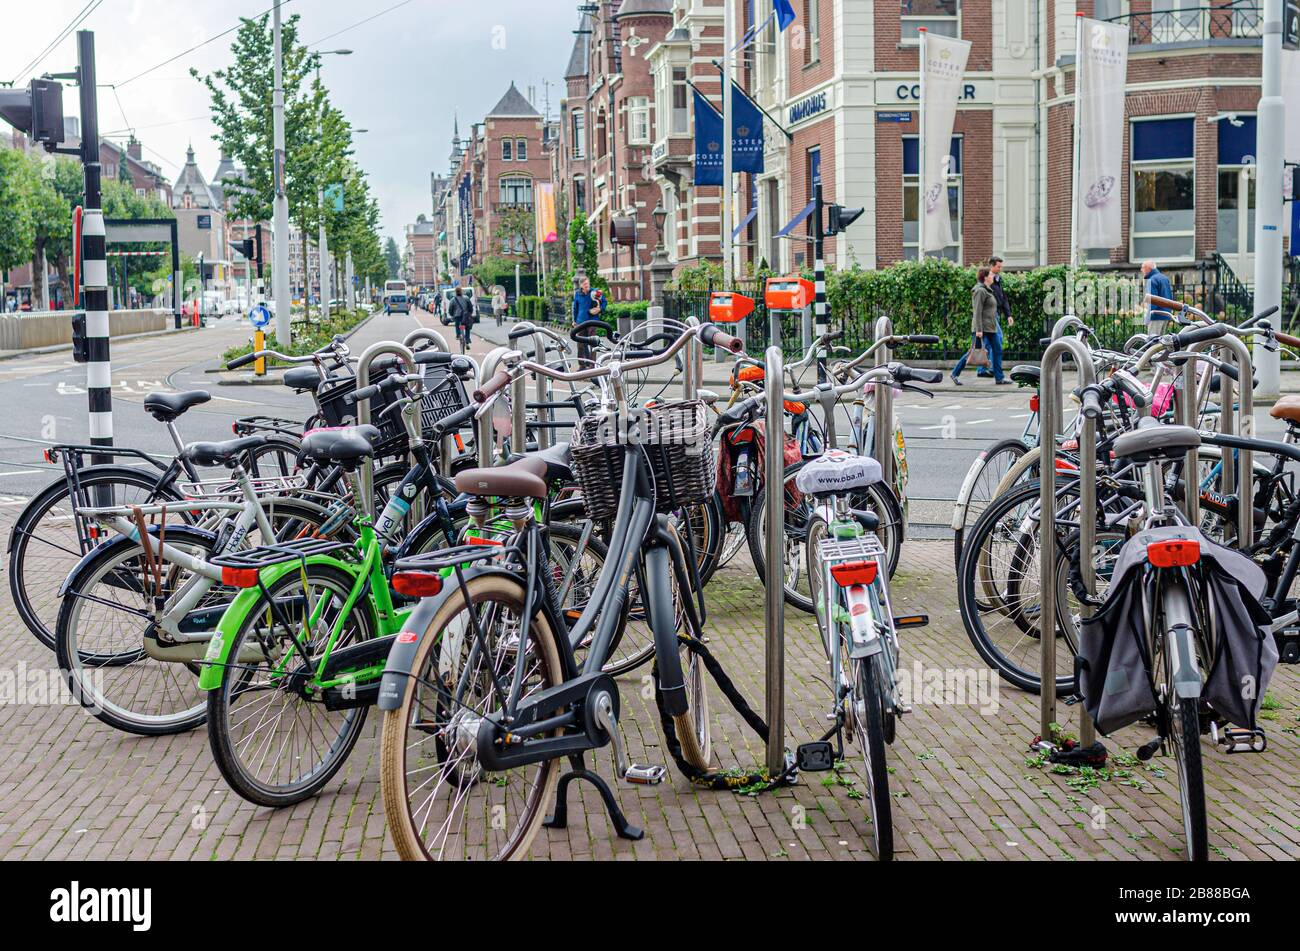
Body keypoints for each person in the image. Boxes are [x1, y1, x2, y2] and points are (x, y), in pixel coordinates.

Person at [951, 267, 1005, 386]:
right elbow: (977, 311)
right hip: (982, 330)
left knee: (997, 350)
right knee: (973, 352)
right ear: (985, 277)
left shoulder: (987, 290)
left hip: (991, 328)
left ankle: (999, 378)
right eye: (990, 275)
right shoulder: (980, 291)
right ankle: (954, 373)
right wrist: (979, 330)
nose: (992, 277)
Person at [978, 256, 1015, 377]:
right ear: (992, 266)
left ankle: (983, 370)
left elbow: (1003, 298)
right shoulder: (986, 280)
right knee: (997, 340)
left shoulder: (998, 279)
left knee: (988, 343)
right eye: (998, 266)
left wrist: (1008, 315)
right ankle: (993, 370)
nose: (1000, 268)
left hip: (996, 315)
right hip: (990, 316)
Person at [572, 276, 603, 362]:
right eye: (585, 284)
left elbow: (604, 302)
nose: (587, 285)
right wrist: (574, 320)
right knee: (580, 344)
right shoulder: (578, 294)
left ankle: (592, 364)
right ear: (581, 285)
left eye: (588, 283)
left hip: (592, 321)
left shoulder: (594, 292)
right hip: (580, 322)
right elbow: (575, 308)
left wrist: (600, 309)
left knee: (593, 344)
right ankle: (582, 364)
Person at [1142, 260, 1174, 334]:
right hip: (1166, 314)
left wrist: (1147, 318)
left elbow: (1152, 301)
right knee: (1161, 342)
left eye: (1143, 267)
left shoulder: (1152, 280)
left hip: (1156, 316)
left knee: (1153, 341)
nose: (1141, 270)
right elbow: (1169, 296)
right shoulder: (1164, 278)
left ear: (1148, 268)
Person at [449, 286, 474, 353]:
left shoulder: (453, 300)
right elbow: (470, 307)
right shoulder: (466, 298)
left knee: (457, 325)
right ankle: (467, 340)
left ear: (455, 292)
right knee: (467, 327)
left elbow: (450, 309)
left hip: (457, 316)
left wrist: (452, 314)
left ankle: (458, 335)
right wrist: (470, 313)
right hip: (465, 316)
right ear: (461, 291)